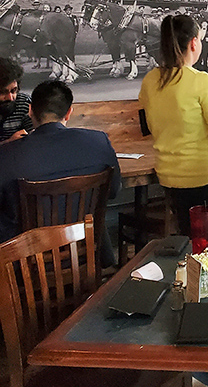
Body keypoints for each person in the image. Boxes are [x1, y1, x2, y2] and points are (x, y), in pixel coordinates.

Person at [139, 14, 208, 237]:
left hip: (167, 176)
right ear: (194, 43)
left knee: (186, 236)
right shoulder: (201, 81)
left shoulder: (151, 79)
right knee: (205, 242)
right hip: (201, 176)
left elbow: (150, 122)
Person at [0, 80, 121, 264]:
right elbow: (113, 191)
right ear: (69, 112)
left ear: (30, 110)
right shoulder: (99, 141)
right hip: (84, 254)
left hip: (27, 264)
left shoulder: (7, 154)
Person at [0, 57, 33, 144]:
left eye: (13, 91)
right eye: (3, 92)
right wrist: (9, 142)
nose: (10, 98)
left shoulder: (24, 103)